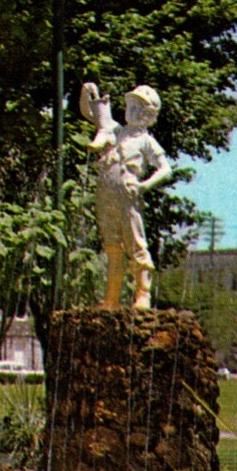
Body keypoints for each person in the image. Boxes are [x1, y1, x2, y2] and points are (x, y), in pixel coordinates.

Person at [79, 82, 173, 309]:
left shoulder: (146, 140)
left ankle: (143, 294)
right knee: (112, 247)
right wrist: (87, 93)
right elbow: (91, 113)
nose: (132, 111)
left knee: (135, 243)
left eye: (139, 107)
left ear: (150, 115)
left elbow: (166, 169)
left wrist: (144, 185)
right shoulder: (115, 131)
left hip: (128, 197)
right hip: (106, 195)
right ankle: (111, 298)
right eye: (130, 105)